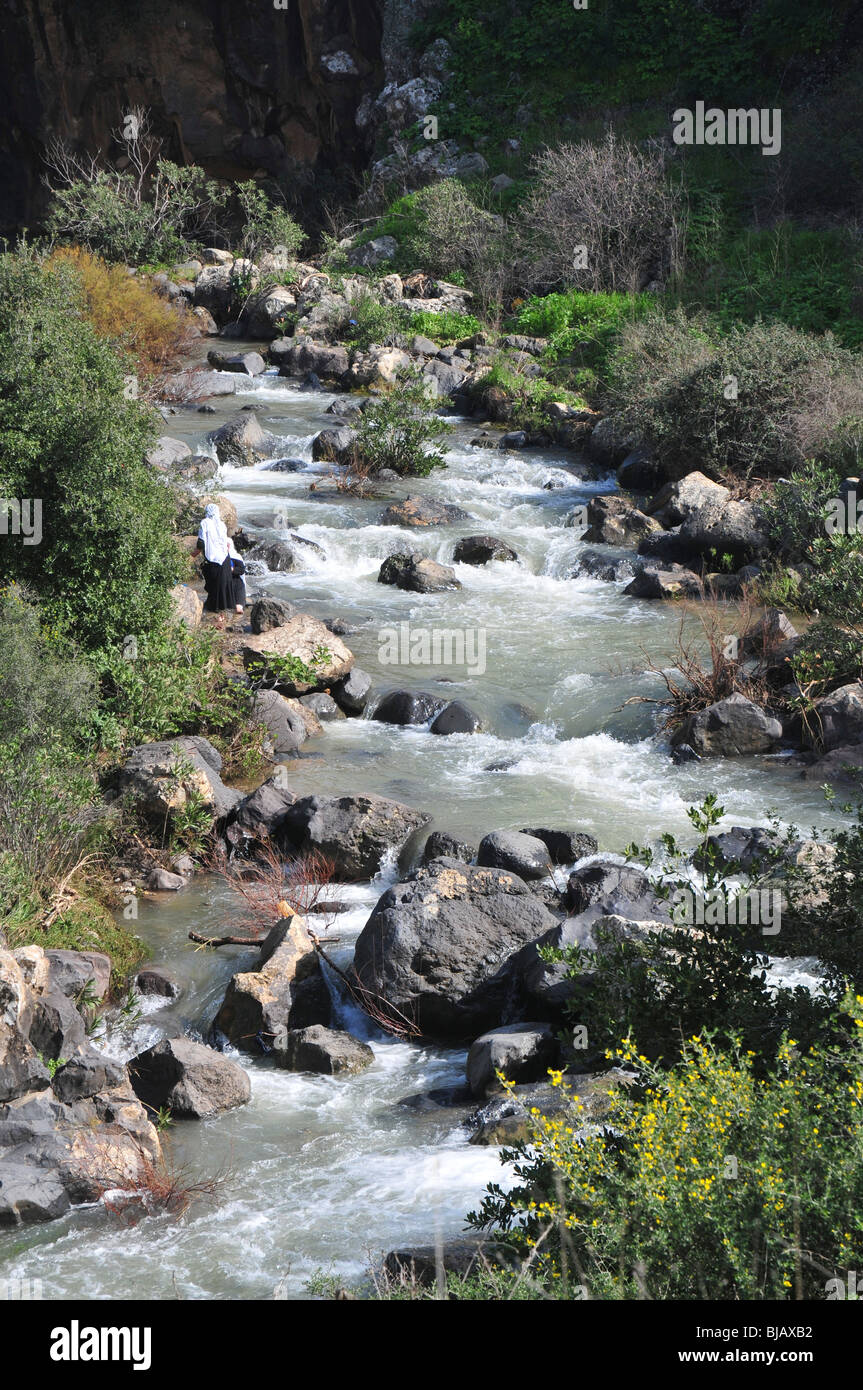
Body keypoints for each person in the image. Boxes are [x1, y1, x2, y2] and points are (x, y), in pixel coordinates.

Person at [197, 504, 245, 625]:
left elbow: (201, 543)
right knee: (224, 587)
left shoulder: (205, 522)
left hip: (212, 560)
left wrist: (194, 554)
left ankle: (215, 615)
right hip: (225, 560)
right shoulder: (221, 524)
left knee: (213, 587)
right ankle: (223, 615)